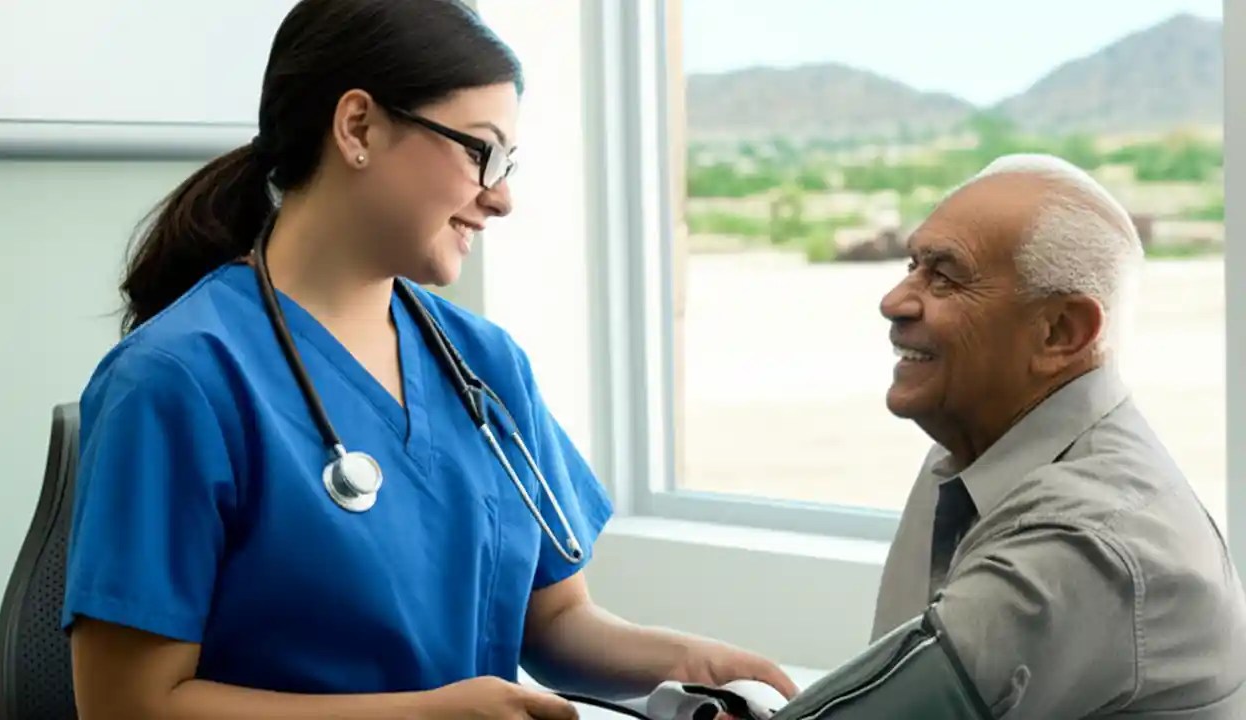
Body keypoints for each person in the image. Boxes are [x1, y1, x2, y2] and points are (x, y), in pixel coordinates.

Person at [61, 1, 798, 718]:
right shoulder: (178, 380)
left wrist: (691, 666)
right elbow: (129, 704)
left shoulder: (484, 364)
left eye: (507, 161)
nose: (501, 197)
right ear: (358, 128)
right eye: (482, 152)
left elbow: (552, 620)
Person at [869, 153, 1246, 717]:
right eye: (912, 265)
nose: (894, 302)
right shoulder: (967, 453)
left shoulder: (1078, 540)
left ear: (1060, 333)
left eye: (944, 276)